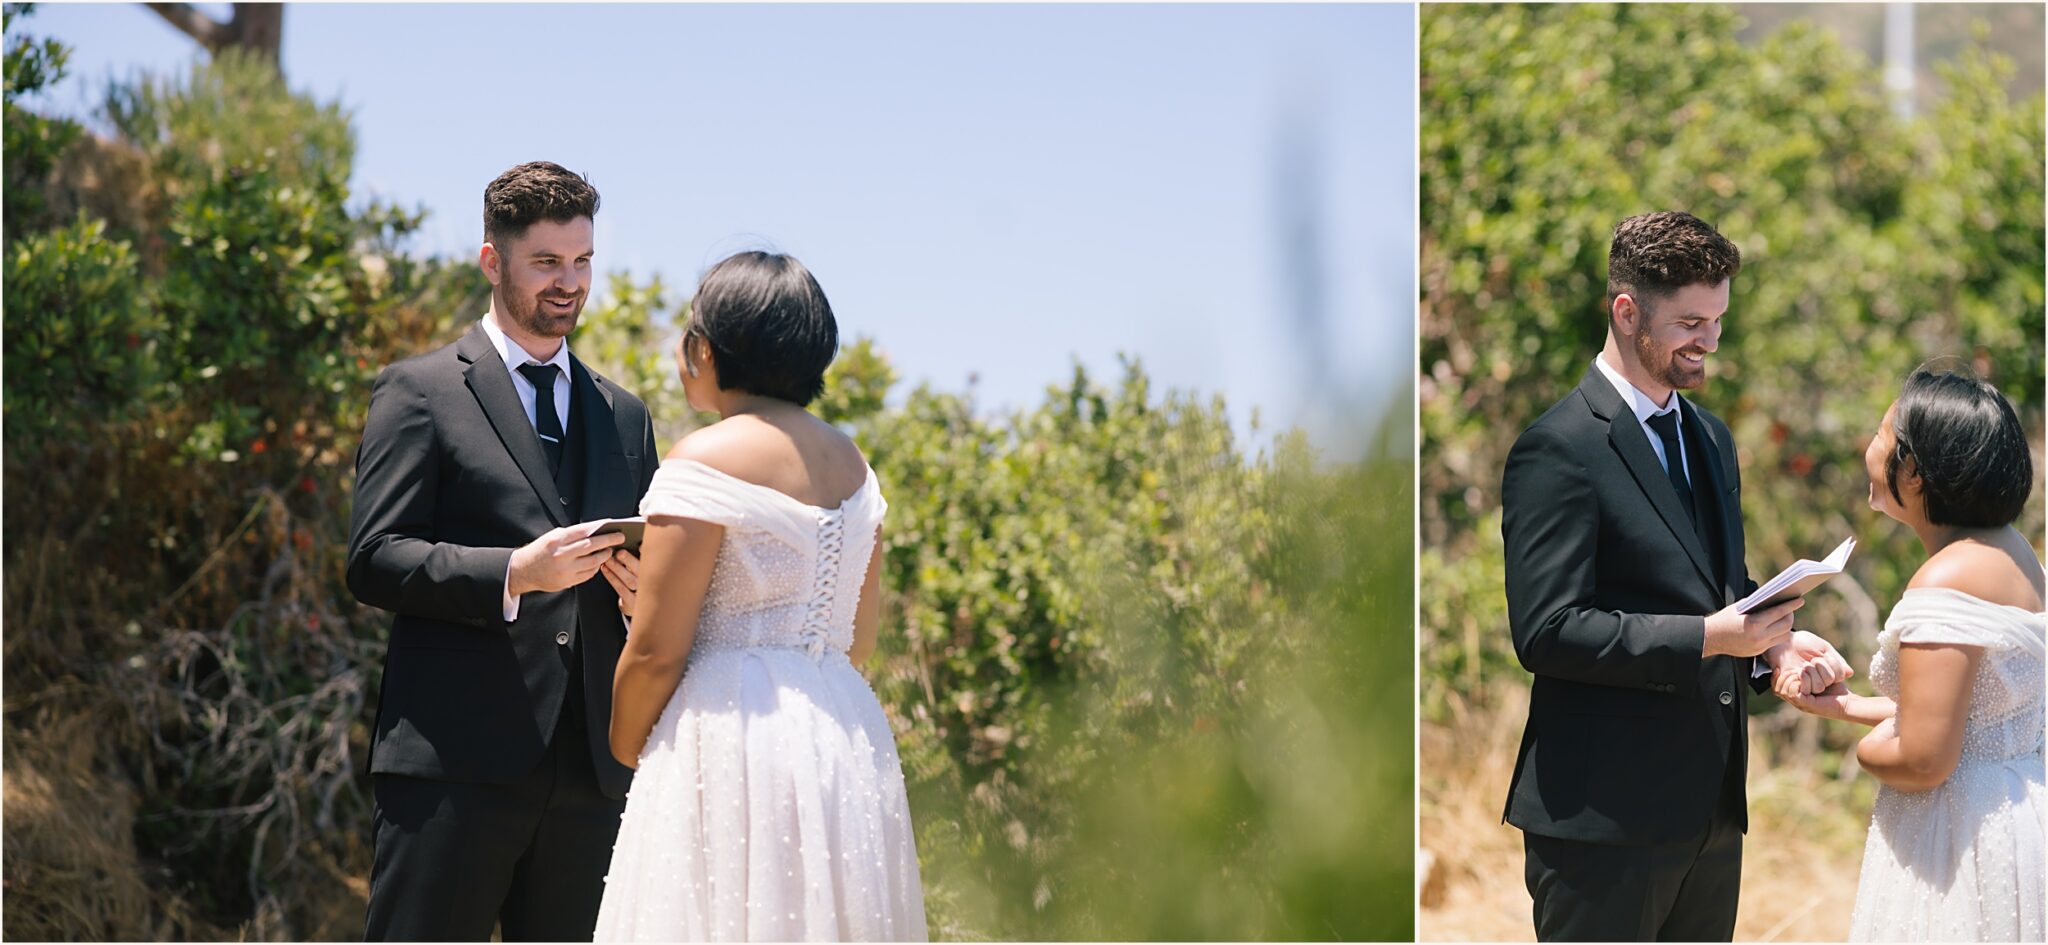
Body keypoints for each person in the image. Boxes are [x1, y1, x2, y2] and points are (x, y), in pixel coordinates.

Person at [1499, 210, 1851, 941]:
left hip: (1711, 818)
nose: (1710, 341)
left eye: (1718, 320)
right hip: (1602, 826)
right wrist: (1708, 637)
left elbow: (1720, 588)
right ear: (1627, 312)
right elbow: (1548, 631)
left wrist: (1776, 645)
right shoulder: (1555, 449)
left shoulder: (1711, 437)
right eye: (1692, 321)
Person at [347, 161, 656, 940]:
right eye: (546, 262)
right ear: (493, 260)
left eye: (582, 261)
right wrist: (515, 572)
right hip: (453, 764)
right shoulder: (418, 391)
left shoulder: (624, 415)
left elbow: (655, 578)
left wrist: (643, 593)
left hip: (592, 777)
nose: (569, 283)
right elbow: (375, 556)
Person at [594, 251, 925, 941]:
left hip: (729, 737)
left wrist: (629, 747)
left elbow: (656, 650)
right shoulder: (855, 466)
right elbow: (857, 641)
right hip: (842, 736)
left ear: (708, 348)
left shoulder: (703, 459)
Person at [1780, 369, 2044, 942]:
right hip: (2016, 821)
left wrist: (1869, 751)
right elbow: (1974, 716)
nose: (1869, 451)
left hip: (1957, 839)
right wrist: (1847, 708)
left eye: (1881, 436)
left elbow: (1925, 759)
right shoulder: (2014, 552)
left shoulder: (1944, 582)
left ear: (1916, 472)